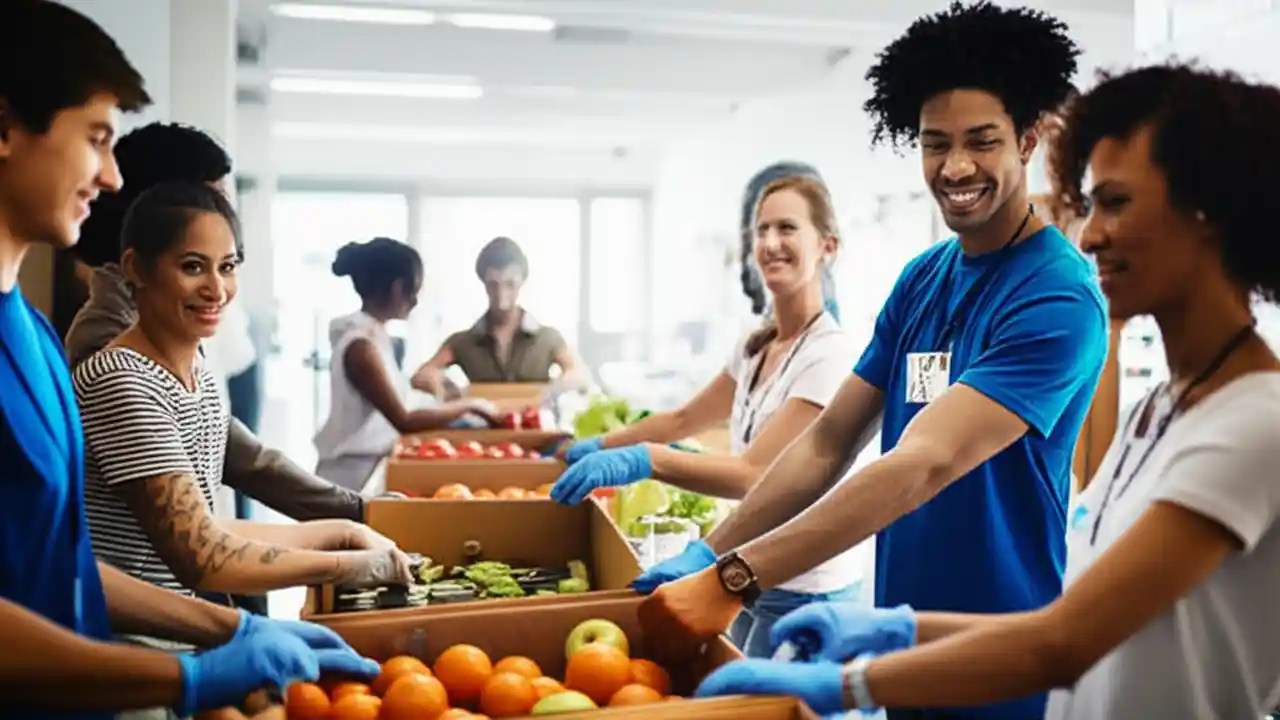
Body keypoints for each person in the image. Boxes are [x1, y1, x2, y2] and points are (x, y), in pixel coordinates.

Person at [695, 62, 1280, 720]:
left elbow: (1059, 641)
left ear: (1206, 211)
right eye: (1091, 206)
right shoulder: (1159, 410)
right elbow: (1075, 612)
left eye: (1116, 203)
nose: (1089, 235)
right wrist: (898, 634)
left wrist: (850, 678)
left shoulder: (1254, 424)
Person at [636, 5, 1107, 719]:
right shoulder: (924, 277)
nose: (954, 167)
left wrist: (736, 578)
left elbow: (922, 463)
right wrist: (712, 551)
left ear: (1028, 140)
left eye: (982, 142)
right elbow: (827, 442)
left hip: (995, 651)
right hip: (897, 636)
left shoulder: (1057, 297)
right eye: (934, 143)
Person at [0, 2, 376, 716]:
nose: (112, 178)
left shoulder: (40, 344)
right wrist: (186, 679)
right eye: (98, 139)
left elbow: (67, 563)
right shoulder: (106, 359)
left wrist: (233, 626)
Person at [551, 170, 862, 657]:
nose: (771, 243)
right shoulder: (757, 346)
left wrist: (645, 460)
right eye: (761, 230)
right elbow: (681, 421)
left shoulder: (830, 354)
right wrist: (601, 447)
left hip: (808, 588)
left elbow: (754, 475)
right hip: (750, 574)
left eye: (787, 228)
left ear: (827, 246)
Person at [74, 181, 412, 608]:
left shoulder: (196, 372)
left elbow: (211, 528)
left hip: (182, 623)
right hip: (135, 642)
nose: (217, 289)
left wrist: (341, 533)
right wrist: (341, 564)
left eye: (228, 267)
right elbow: (202, 555)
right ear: (136, 268)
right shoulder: (121, 378)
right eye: (193, 267)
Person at [63, 122, 368, 524]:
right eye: (215, 204)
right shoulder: (109, 346)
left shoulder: (174, 329)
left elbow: (226, 445)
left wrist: (358, 512)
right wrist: (356, 516)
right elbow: (203, 534)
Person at [314, 237, 503, 490]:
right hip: (349, 475)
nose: (414, 301)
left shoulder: (375, 337)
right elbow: (403, 418)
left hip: (365, 468)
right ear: (397, 288)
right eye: (413, 290)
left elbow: (395, 401)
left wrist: (441, 392)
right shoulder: (361, 347)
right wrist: (471, 405)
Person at [411, 236, 589, 400]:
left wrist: (552, 391)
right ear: (484, 283)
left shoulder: (548, 338)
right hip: (481, 431)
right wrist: (444, 386)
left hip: (536, 428)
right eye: (493, 284)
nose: (502, 295)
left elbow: (579, 375)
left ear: (522, 282)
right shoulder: (463, 342)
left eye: (510, 284)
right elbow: (421, 376)